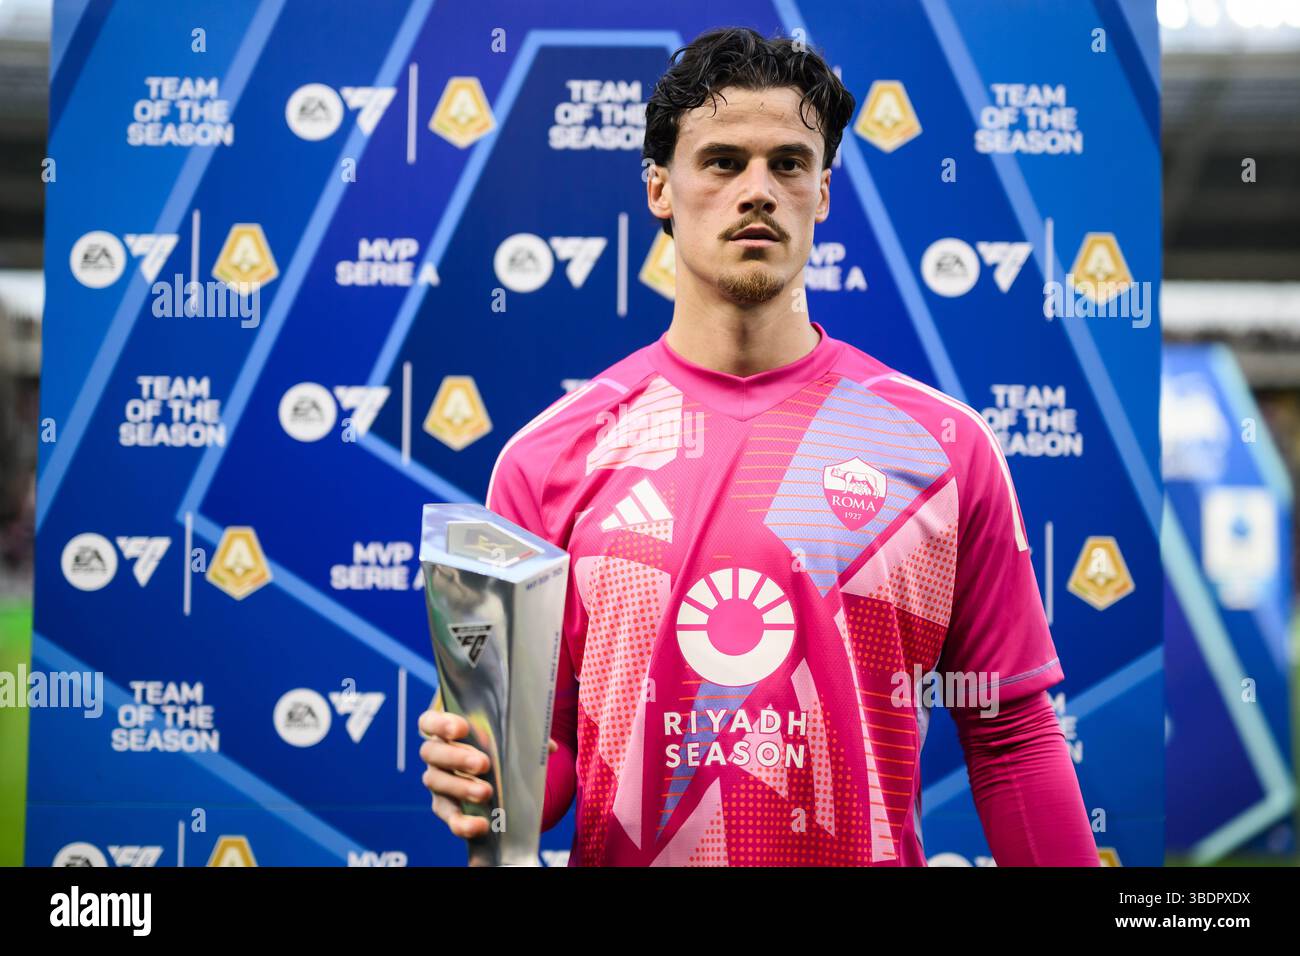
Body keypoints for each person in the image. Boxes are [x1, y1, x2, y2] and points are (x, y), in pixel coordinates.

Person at [419, 26, 1098, 866]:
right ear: (660, 188)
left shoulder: (941, 448)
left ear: (821, 194)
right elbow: (546, 767)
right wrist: (489, 775)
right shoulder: (549, 458)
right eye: (722, 161)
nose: (757, 190)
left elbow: (1012, 738)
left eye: (788, 163)